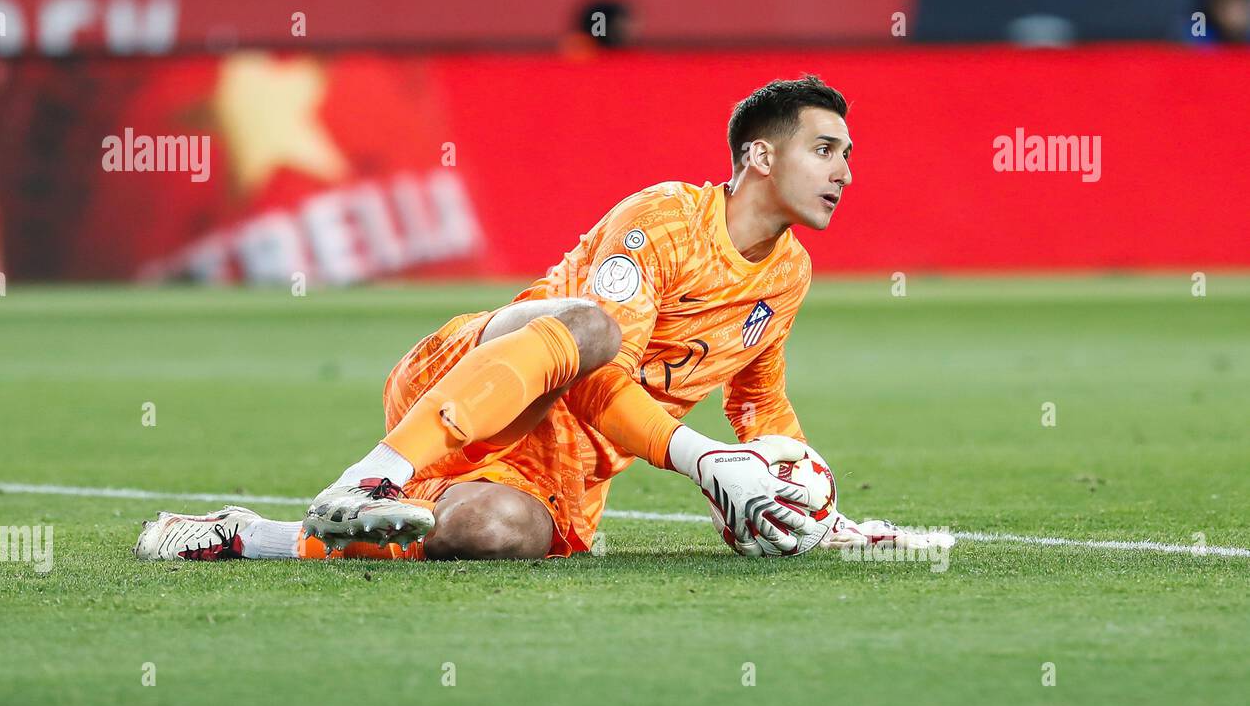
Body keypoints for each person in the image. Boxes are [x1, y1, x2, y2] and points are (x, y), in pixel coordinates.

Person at [136, 75, 884, 563]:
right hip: (477, 377)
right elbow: (594, 378)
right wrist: (700, 457)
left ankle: (253, 536)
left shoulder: (787, 273)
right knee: (597, 329)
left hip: (559, 465)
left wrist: (817, 507)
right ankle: (371, 477)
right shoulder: (663, 221)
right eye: (825, 150)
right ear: (758, 154)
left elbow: (757, 401)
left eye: (848, 154)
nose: (845, 171)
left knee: (497, 535)